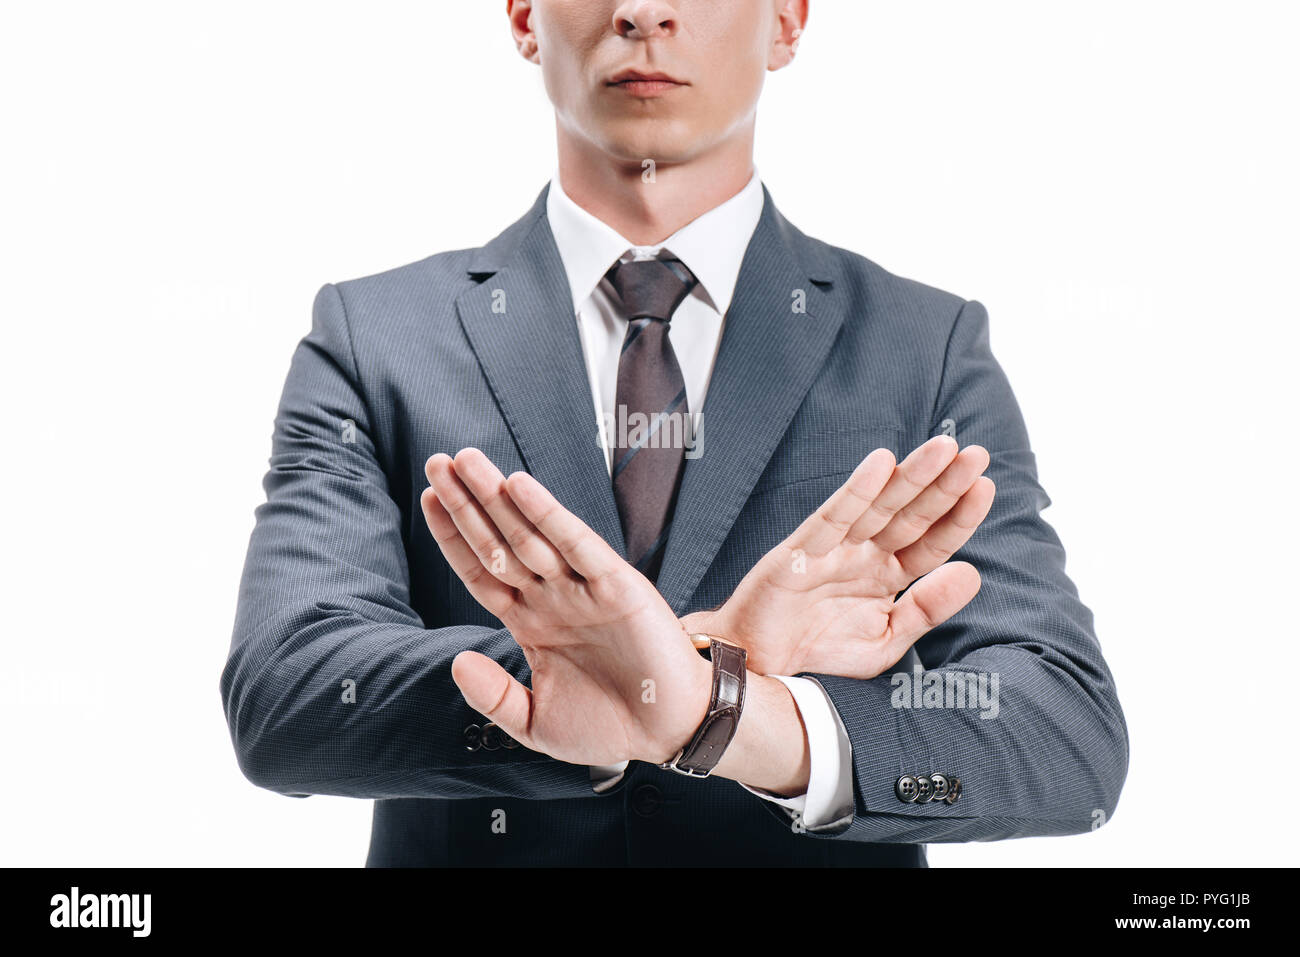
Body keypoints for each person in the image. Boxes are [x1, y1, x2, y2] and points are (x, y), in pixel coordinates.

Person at [221, 0, 1128, 867]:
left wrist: (734, 715)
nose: (644, 11)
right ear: (524, 17)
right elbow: (288, 688)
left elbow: (1066, 726)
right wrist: (601, 676)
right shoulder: (373, 337)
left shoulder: (923, 348)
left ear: (787, 20)